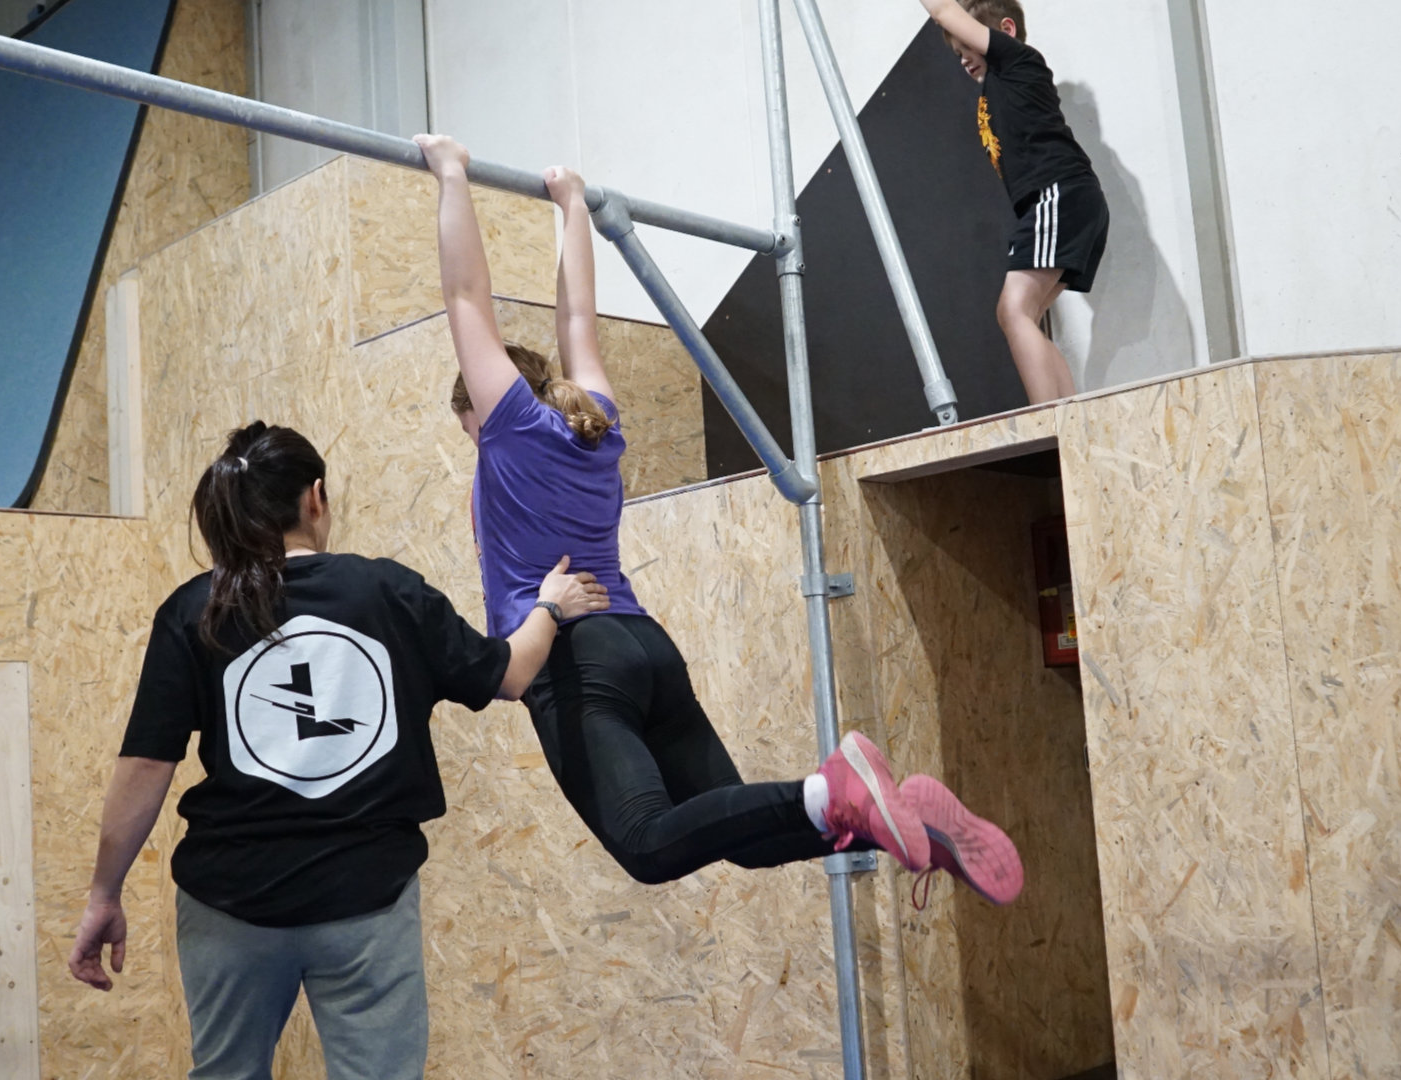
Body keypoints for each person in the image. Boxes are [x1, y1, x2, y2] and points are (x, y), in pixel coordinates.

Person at [415, 131, 1024, 905]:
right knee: (740, 841)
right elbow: (579, 326)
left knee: (646, 844)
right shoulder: (599, 422)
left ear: (484, 411)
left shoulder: (504, 430)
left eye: (468, 426)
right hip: (643, 644)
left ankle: (831, 790)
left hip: (576, 658)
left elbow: (467, 298)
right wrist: (572, 205)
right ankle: (897, 820)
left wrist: (453, 175)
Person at [66, 421, 609, 1080]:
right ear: (315, 497)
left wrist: (104, 893)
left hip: (229, 900)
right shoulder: (387, 591)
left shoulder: (194, 608)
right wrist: (550, 607)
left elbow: (147, 765)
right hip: (366, 899)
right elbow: (511, 675)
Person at [917, 0, 1109, 405]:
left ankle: (1049, 423)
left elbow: (943, 11)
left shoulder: (1018, 61)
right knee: (1024, 315)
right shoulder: (999, 85)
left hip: (1060, 192)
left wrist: (948, 14)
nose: (964, 60)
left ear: (1005, 30)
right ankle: (1066, 416)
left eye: (969, 47)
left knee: (1013, 310)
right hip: (1060, 200)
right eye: (957, 54)